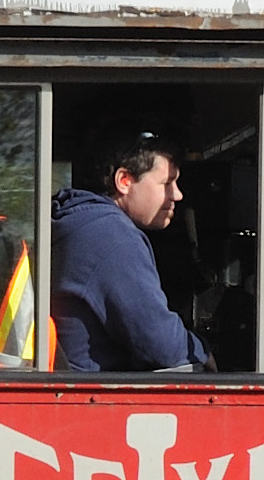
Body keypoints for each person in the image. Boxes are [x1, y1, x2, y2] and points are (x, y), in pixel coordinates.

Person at [51, 137, 207, 374]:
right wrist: (201, 350)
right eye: (166, 183)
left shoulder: (77, 222)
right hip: (95, 398)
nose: (177, 195)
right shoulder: (112, 236)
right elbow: (161, 345)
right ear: (124, 181)